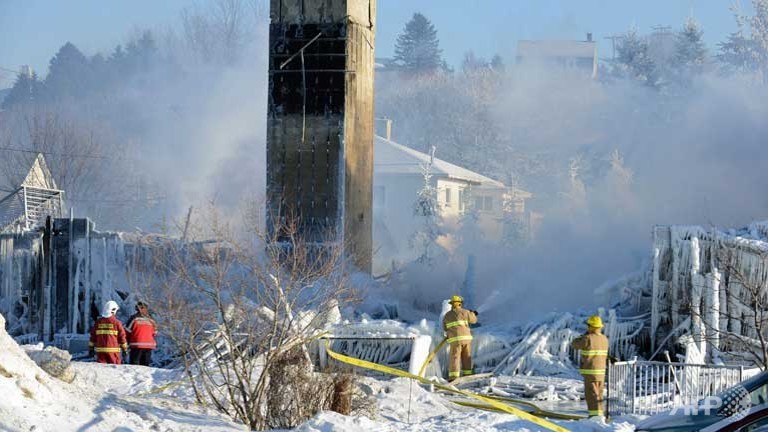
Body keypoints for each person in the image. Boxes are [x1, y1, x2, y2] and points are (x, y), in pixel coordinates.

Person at [571, 315, 609, 418]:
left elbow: (574, 344)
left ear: (591, 326)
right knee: (599, 394)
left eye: (588, 325)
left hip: (590, 371)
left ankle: (594, 417)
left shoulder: (587, 338)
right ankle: (600, 414)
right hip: (601, 371)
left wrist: (583, 335)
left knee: (591, 394)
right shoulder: (604, 338)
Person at [442, 295, 478, 382]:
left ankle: (454, 377)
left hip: (455, 340)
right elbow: (474, 320)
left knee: (455, 357)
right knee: (467, 356)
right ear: (460, 304)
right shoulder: (465, 312)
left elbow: (445, 328)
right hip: (466, 339)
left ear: (452, 304)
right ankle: (468, 374)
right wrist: (473, 314)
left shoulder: (447, 315)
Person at [89, 300, 128, 364]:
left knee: (102, 370)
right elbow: (122, 337)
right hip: (113, 352)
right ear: (113, 310)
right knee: (113, 370)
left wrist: (91, 348)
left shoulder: (98, 322)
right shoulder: (116, 323)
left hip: (100, 351)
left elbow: (93, 336)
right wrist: (124, 349)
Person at [126, 301, 157, 366]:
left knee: (134, 366)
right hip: (149, 346)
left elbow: (127, 331)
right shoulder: (151, 320)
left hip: (136, 345)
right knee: (145, 367)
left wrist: (126, 343)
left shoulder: (134, 318)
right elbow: (155, 333)